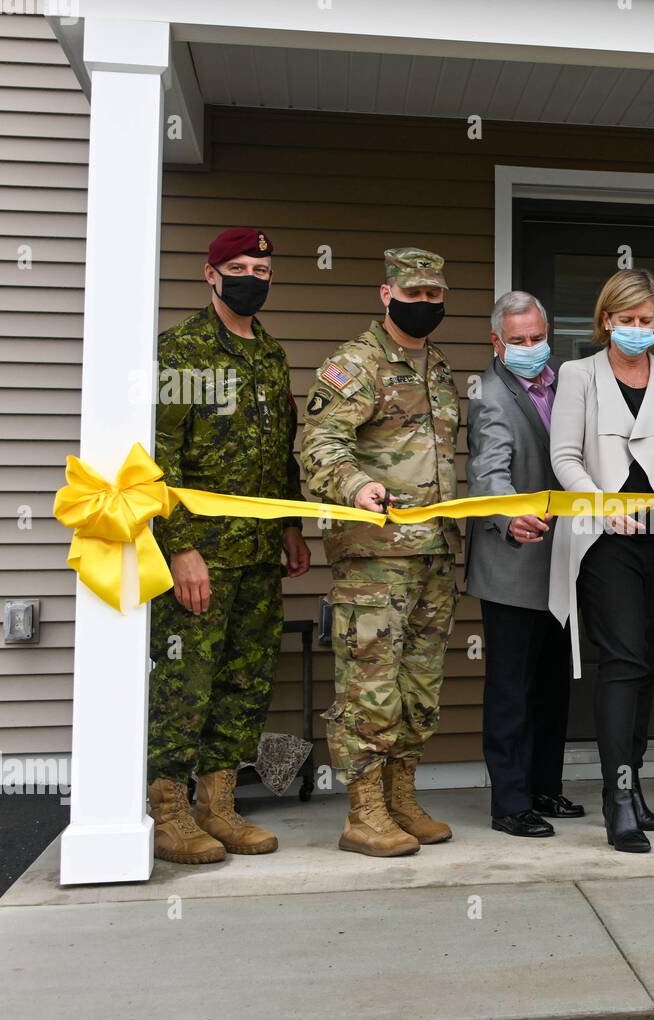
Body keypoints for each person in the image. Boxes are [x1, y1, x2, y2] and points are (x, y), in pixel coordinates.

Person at [148, 226, 310, 865]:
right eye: (239, 268)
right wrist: (180, 547)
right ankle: (169, 813)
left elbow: (282, 447)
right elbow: (157, 459)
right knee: (186, 683)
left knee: (244, 682)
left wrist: (293, 526)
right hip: (201, 556)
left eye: (262, 270)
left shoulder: (269, 353)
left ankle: (219, 807)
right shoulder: (181, 352)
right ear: (210, 274)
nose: (252, 279)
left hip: (260, 553)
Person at [301, 248, 459, 858]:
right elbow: (320, 444)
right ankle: (363, 809)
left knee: (420, 682)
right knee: (369, 680)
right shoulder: (356, 364)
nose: (424, 305)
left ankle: (401, 795)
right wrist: (355, 486)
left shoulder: (439, 368)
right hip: (374, 556)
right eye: (413, 295)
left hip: (433, 554)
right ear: (386, 295)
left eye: (434, 297)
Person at [548, 268, 654, 854]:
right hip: (601, 538)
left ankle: (634, 789)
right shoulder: (578, 374)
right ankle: (616, 797)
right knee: (621, 663)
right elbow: (564, 456)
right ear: (605, 319)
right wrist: (602, 504)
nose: (638, 330)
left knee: (649, 664)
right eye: (627, 320)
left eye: (646, 321)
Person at [465, 291, 581, 838]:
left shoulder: (569, 383)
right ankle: (510, 803)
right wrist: (508, 516)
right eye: (518, 341)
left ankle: (545, 787)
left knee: (553, 683)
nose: (531, 348)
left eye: (538, 338)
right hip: (512, 560)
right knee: (511, 687)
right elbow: (488, 471)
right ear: (497, 342)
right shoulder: (488, 394)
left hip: (562, 562)